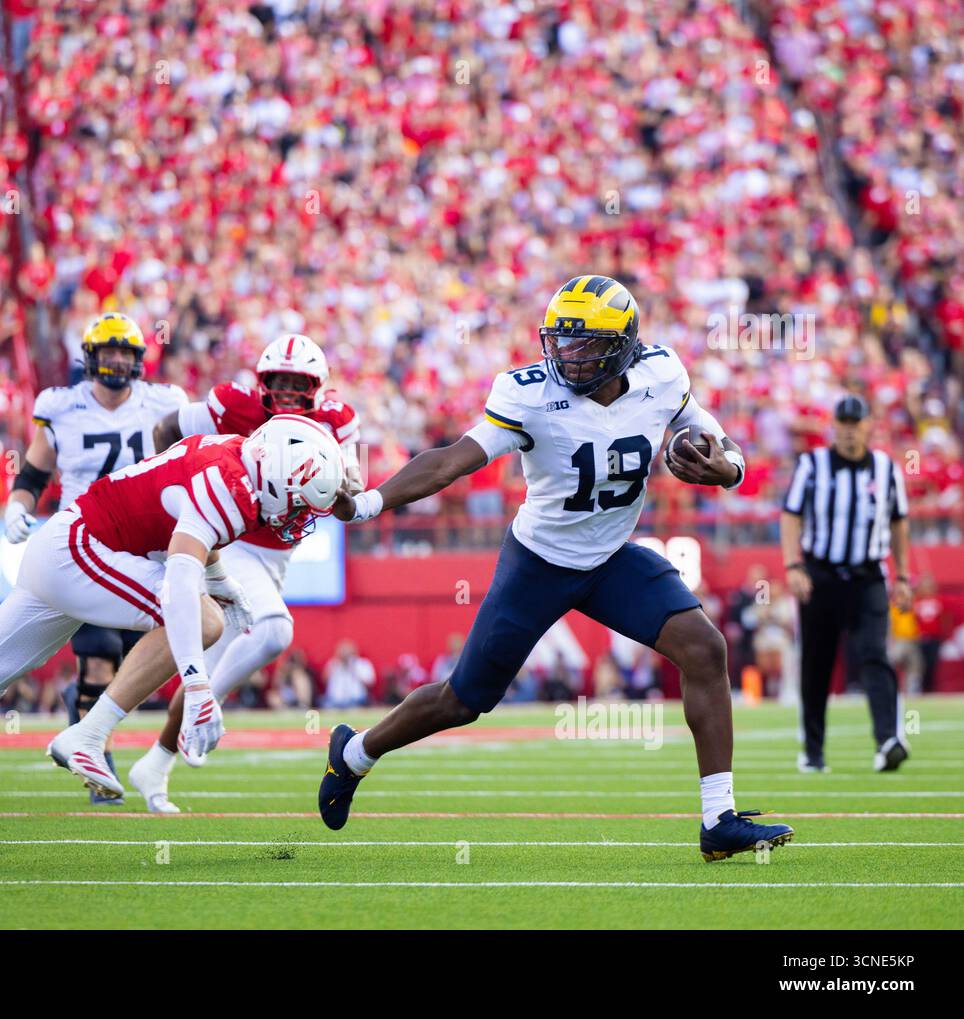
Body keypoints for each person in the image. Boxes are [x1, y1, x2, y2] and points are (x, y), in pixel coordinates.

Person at [320, 274, 794, 861]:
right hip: (539, 562)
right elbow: (450, 463)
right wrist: (366, 503)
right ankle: (355, 753)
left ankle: (718, 819)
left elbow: (721, 444)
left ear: (623, 345)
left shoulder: (661, 374)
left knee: (705, 648)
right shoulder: (529, 393)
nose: (567, 356)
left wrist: (729, 471)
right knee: (463, 699)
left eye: (585, 343)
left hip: (613, 556)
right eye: (560, 341)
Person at [0, 415, 344, 865]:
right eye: (298, 502)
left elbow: (203, 536)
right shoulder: (232, 485)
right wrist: (198, 687)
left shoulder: (235, 455)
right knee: (201, 622)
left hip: (68, 546)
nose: (296, 518)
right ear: (277, 475)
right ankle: (87, 734)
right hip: (80, 550)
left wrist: (225, 586)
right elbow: (180, 574)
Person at [125, 333, 361, 813]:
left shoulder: (336, 421)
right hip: (228, 540)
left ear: (317, 387)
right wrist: (174, 495)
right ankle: (203, 705)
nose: (290, 392)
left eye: (300, 383)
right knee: (274, 630)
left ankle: (157, 761)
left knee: (211, 663)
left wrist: (344, 489)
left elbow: (351, 494)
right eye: (280, 382)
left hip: (277, 557)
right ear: (262, 382)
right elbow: (167, 429)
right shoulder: (232, 403)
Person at [3, 311, 186, 805]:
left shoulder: (163, 405)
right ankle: (98, 760)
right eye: (108, 352)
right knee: (100, 661)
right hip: (86, 546)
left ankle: (85, 714)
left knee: (132, 665)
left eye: (125, 353)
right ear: (90, 357)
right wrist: (17, 506)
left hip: (145, 550)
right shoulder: (63, 408)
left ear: (139, 360)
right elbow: (35, 473)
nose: (117, 361)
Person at [781, 393, 913, 773]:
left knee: (874, 654)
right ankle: (813, 751)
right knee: (817, 664)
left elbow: (899, 522)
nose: (850, 430)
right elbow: (790, 515)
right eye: (844, 422)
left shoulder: (886, 470)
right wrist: (793, 566)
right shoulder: (812, 465)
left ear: (868, 425)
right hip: (820, 574)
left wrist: (902, 575)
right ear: (834, 425)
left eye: (857, 423)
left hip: (867, 574)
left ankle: (888, 739)